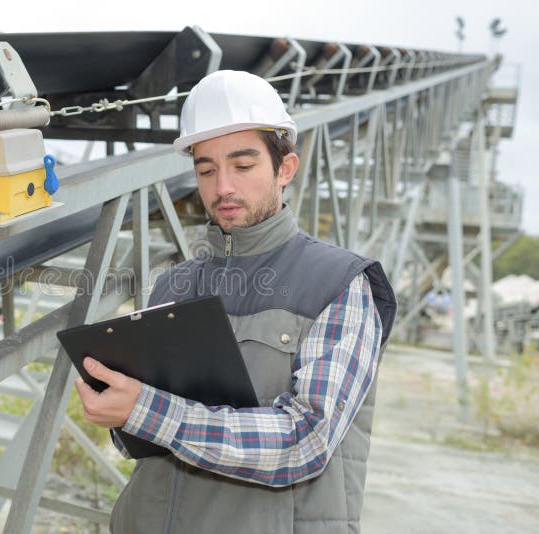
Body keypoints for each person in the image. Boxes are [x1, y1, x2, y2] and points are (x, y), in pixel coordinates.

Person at [75, 70, 397, 534]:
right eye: (206, 169)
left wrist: (148, 410)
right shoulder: (174, 286)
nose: (223, 186)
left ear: (285, 168)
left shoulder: (340, 284)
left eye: (243, 166)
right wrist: (117, 408)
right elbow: (140, 441)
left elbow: (306, 442)